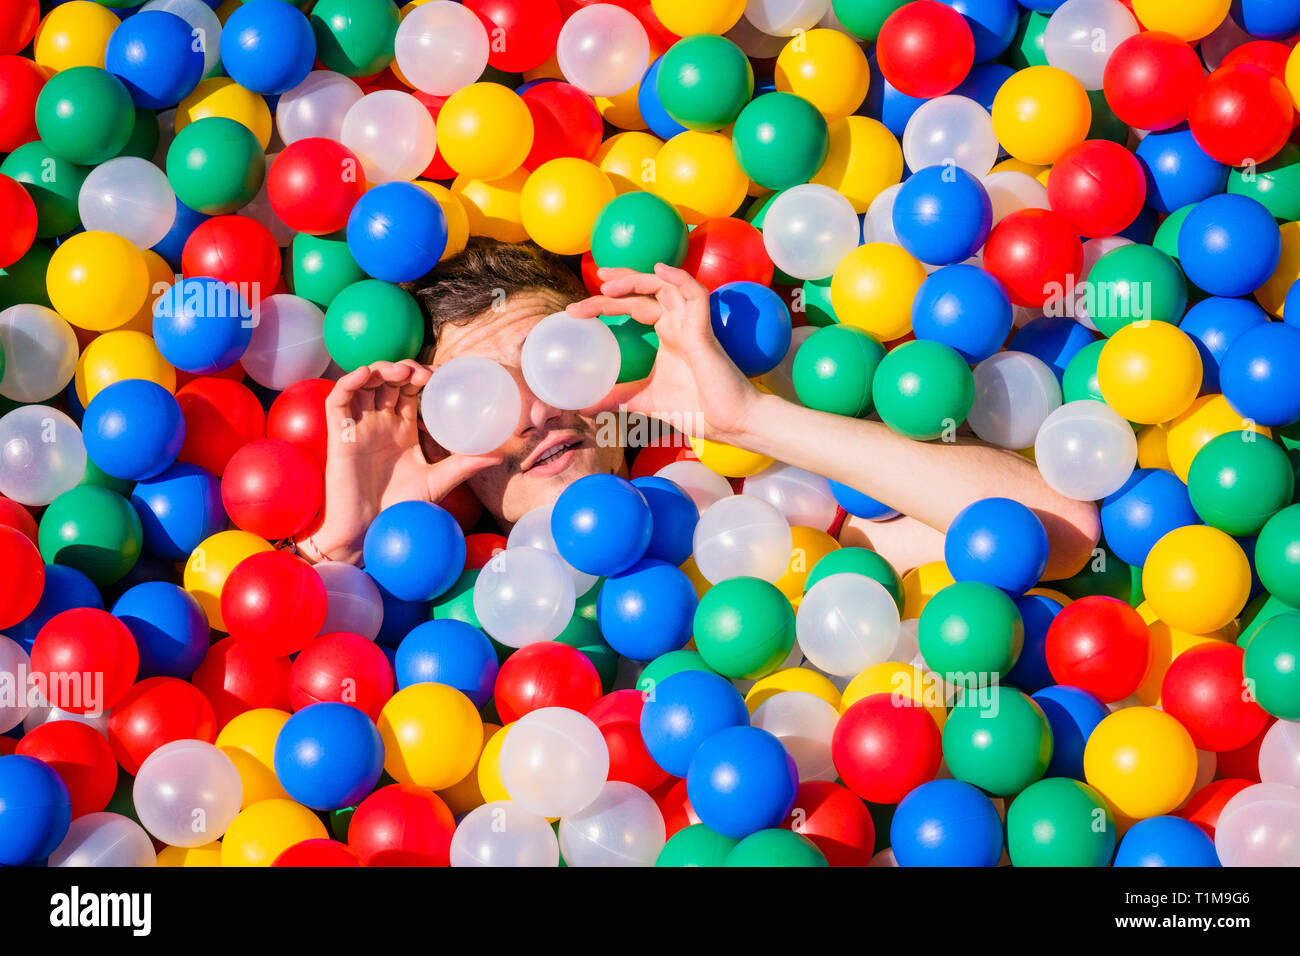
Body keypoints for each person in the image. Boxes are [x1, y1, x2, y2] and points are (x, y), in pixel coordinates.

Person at [296, 238, 1100, 581]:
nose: (534, 413)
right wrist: (348, 548)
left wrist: (748, 419)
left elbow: (1059, 529)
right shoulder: (442, 616)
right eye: (477, 399)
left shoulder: (751, 503)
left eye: (552, 362)